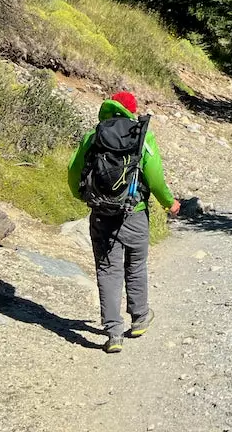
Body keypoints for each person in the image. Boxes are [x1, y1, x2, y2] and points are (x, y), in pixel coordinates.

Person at [67, 91, 180, 353]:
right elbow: (154, 176)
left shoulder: (93, 136)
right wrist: (169, 202)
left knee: (108, 270)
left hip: (102, 214)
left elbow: (74, 171)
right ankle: (139, 318)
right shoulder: (142, 136)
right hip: (135, 212)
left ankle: (113, 333)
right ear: (132, 109)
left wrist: (83, 196)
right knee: (136, 265)